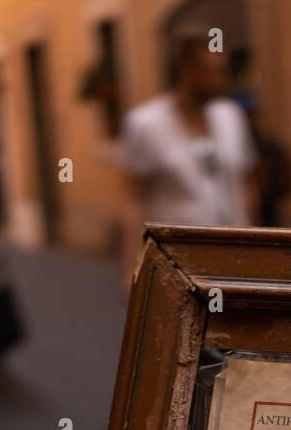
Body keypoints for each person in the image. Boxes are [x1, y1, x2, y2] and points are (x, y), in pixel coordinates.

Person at [120, 23, 257, 263]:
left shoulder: (231, 117)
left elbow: (247, 184)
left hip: (234, 256)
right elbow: (133, 199)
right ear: (187, 70)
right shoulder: (146, 124)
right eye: (212, 71)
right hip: (177, 261)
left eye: (222, 71)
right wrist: (133, 264)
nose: (220, 79)